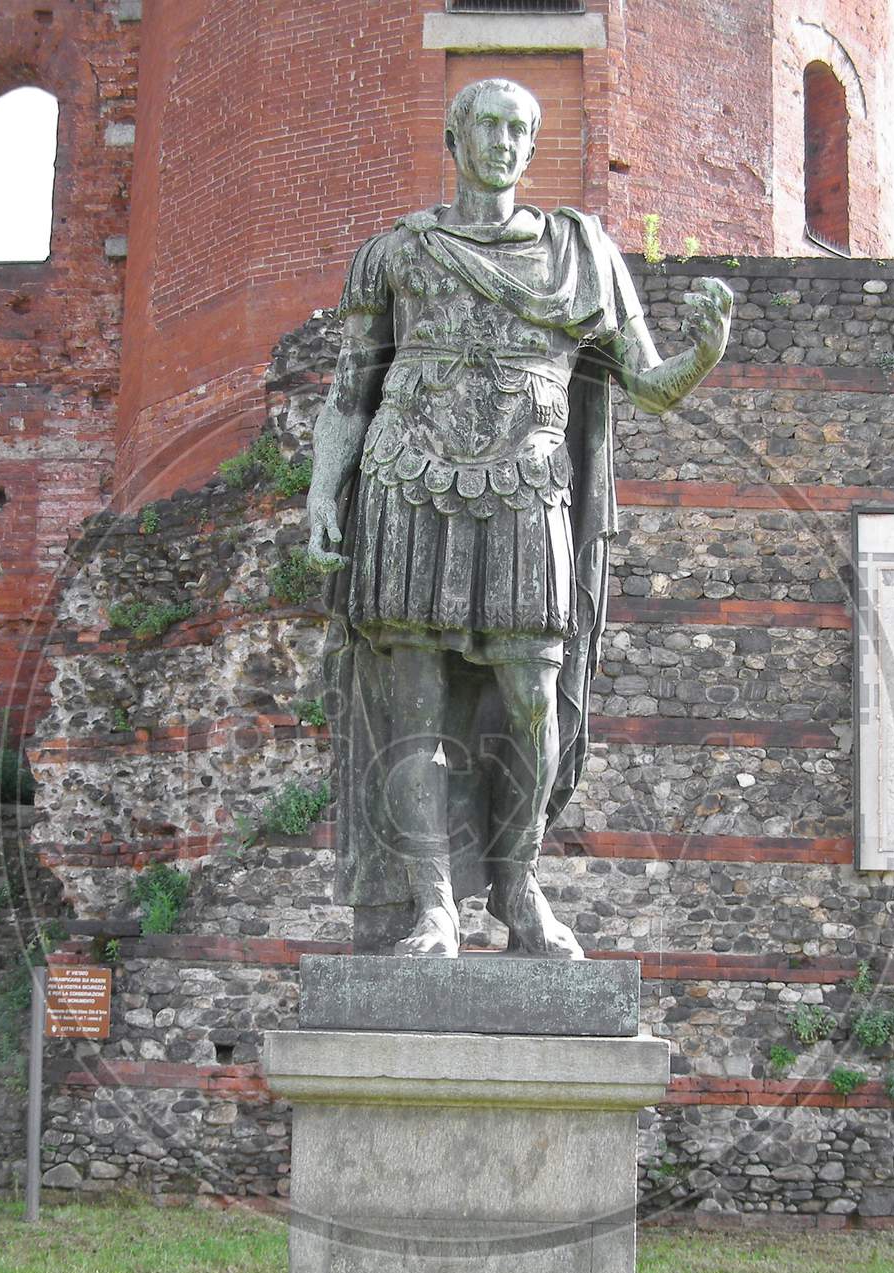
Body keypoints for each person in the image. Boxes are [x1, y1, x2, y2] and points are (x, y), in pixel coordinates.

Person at [307, 78, 732, 958]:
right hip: (406, 480)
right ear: (455, 138)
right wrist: (321, 490)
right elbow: (351, 390)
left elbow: (648, 385)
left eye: (518, 130)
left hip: (527, 487)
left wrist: (704, 352)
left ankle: (517, 884)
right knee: (414, 709)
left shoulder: (579, 253)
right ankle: (433, 906)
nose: (502, 142)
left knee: (535, 700)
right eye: (487, 126)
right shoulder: (395, 254)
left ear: (532, 147)